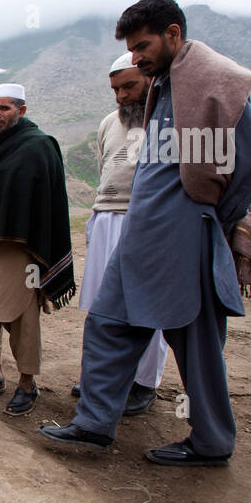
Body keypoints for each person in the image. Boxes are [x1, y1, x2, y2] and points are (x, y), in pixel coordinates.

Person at [41, 0, 251, 466]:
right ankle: (93, 425)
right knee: (108, 322)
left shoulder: (217, 80)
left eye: (142, 46)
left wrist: (216, 214)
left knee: (196, 346)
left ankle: (212, 443)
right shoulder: (167, 82)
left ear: (173, 34)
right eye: (132, 49)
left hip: (186, 234)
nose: (136, 58)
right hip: (143, 234)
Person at [0, 84, 73, 416]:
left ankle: (27, 383)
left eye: (4, 109)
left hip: (21, 251)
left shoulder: (39, 146)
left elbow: (48, 199)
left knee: (23, 319)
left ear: (21, 111)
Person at [74, 52, 168, 415]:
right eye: (115, 88)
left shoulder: (166, 121)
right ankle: (101, 380)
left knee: (147, 307)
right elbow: (104, 168)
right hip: (106, 217)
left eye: (129, 85)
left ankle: (143, 384)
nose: (121, 95)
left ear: (148, 79)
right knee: (102, 306)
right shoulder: (108, 123)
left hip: (144, 221)